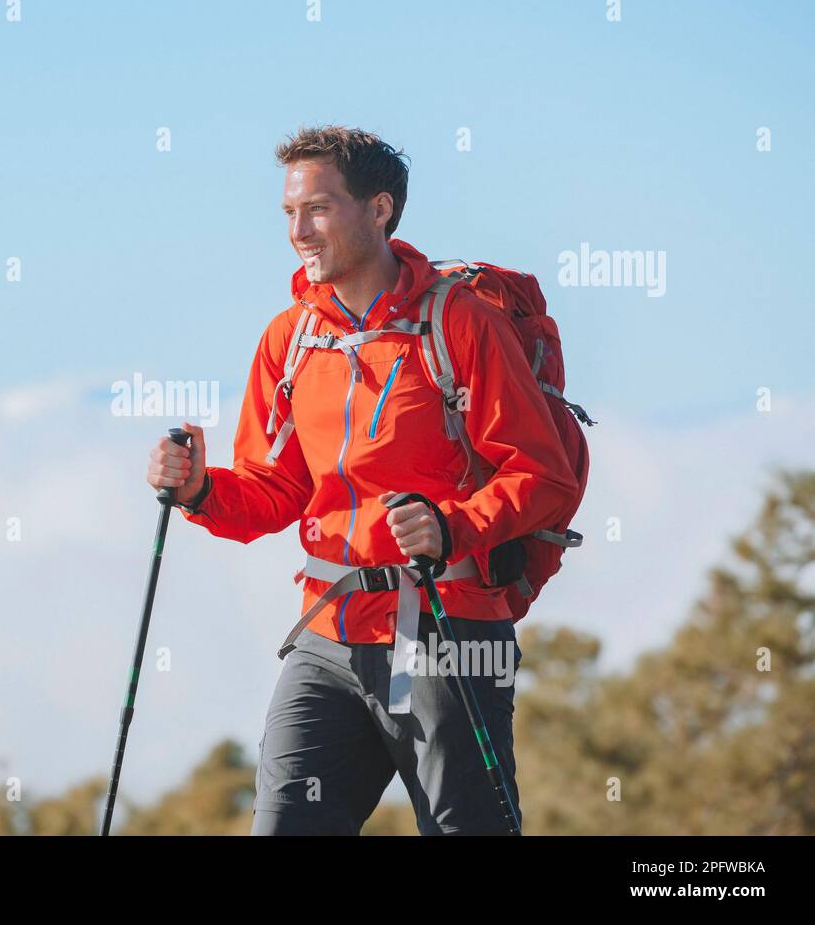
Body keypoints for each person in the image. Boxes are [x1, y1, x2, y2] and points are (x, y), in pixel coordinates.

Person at [144, 125, 579, 835]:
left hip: (451, 629)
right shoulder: (290, 340)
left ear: (379, 210)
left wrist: (452, 526)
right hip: (330, 636)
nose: (298, 231)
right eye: (288, 213)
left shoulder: (460, 324)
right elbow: (271, 490)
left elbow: (543, 477)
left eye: (317, 209)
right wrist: (199, 489)